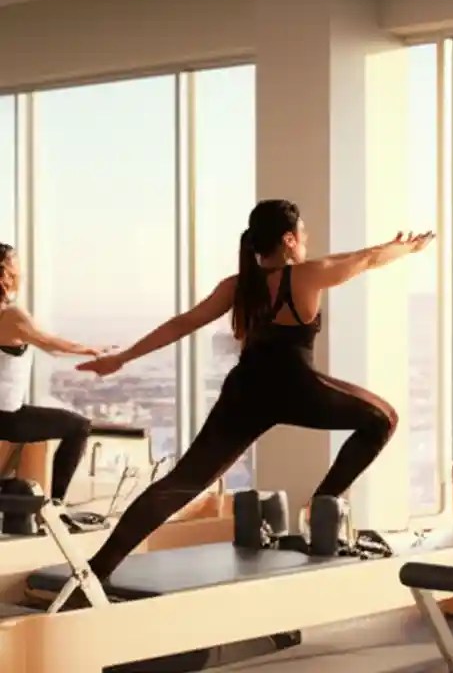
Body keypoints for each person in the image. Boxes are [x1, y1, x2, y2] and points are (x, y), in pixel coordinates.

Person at [76, 199, 432, 583]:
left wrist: (124, 357)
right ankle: (321, 507)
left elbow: (183, 323)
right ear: (289, 240)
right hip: (296, 388)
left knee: (181, 483)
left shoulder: (240, 285)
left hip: (246, 391)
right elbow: (368, 261)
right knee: (383, 419)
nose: (308, 241)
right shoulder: (306, 276)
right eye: (304, 235)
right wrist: (408, 248)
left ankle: (97, 569)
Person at [0, 243, 107, 503]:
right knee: (79, 426)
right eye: (17, 270)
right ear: (6, 274)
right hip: (6, 417)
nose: (21, 276)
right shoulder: (12, 315)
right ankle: (55, 501)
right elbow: (51, 345)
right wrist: (92, 350)